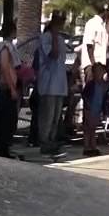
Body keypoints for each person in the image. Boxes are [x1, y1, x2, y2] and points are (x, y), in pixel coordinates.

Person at [34, 11, 69, 159]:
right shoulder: (46, 38)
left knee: (56, 116)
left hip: (59, 83)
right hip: (48, 83)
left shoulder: (61, 39)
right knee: (47, 116)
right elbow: (53, 54)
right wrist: (53, 34)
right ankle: (44, 142)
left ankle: (52, 141)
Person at [80, 6, 109, 156]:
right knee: (90, 110)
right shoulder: (93, 24)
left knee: (96, 111)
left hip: (100, 67)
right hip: (94, 67)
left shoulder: (102, 26)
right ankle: (87, 144)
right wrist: (93, 66)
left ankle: (92, 144)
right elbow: (89, 45)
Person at [0, 21, 22, 158]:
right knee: (5, 121)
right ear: (12, 32)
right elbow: (4, 68)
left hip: (5, 88)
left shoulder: (7, 47)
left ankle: (3, 149)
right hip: (3, 89)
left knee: (8, 120)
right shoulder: (5, 48)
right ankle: (0, 150)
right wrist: (12, 88)